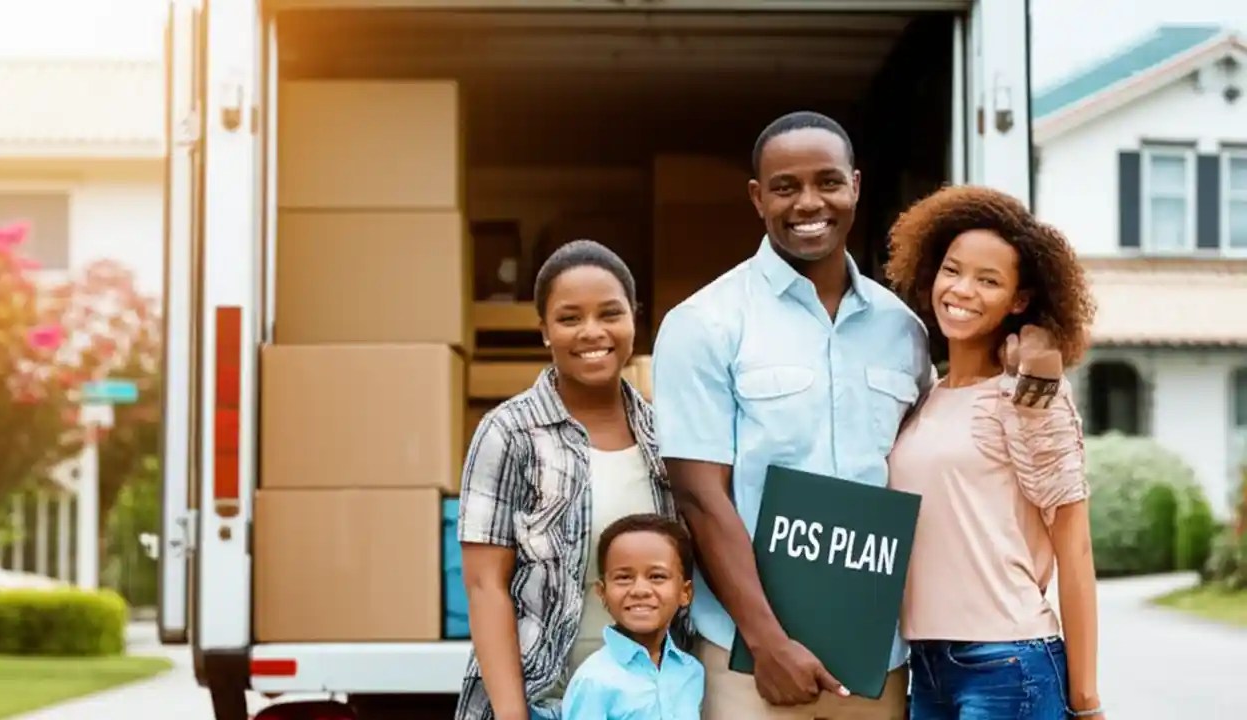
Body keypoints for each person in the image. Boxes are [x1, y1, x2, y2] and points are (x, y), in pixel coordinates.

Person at [651, 110, 934, 719]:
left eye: (828, 182)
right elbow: (702, 499)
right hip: (747, 661)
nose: (810, 202)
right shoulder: (705, 324)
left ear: (855, 185)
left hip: (874, 660)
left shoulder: (903, 332)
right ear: (758, 198)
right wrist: (767, 642)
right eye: (786, 187)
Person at [882, 185, 1103, 720]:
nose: (962, 290)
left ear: (1019, 299)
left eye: (989, 280)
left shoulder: (1031, 395)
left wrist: (1086, 700)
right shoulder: (926, 396)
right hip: (928, 665)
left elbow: (1074, 549)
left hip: (1009, 662)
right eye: (952, 270)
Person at [454, 240, 680, 720]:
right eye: (570, 318)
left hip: (645, 702)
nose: (592, 332)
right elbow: (483, 587)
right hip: (544, 702)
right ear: (544, 330)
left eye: (609, 313)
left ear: (634, 319)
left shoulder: (666, 435)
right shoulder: (508, 432)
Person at [563, 513, 705, 719]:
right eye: (623, 578)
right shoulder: (594, 680)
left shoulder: (692, 672)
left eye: (657, 576)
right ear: (602, 592)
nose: (640, 590)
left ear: (685, 593)